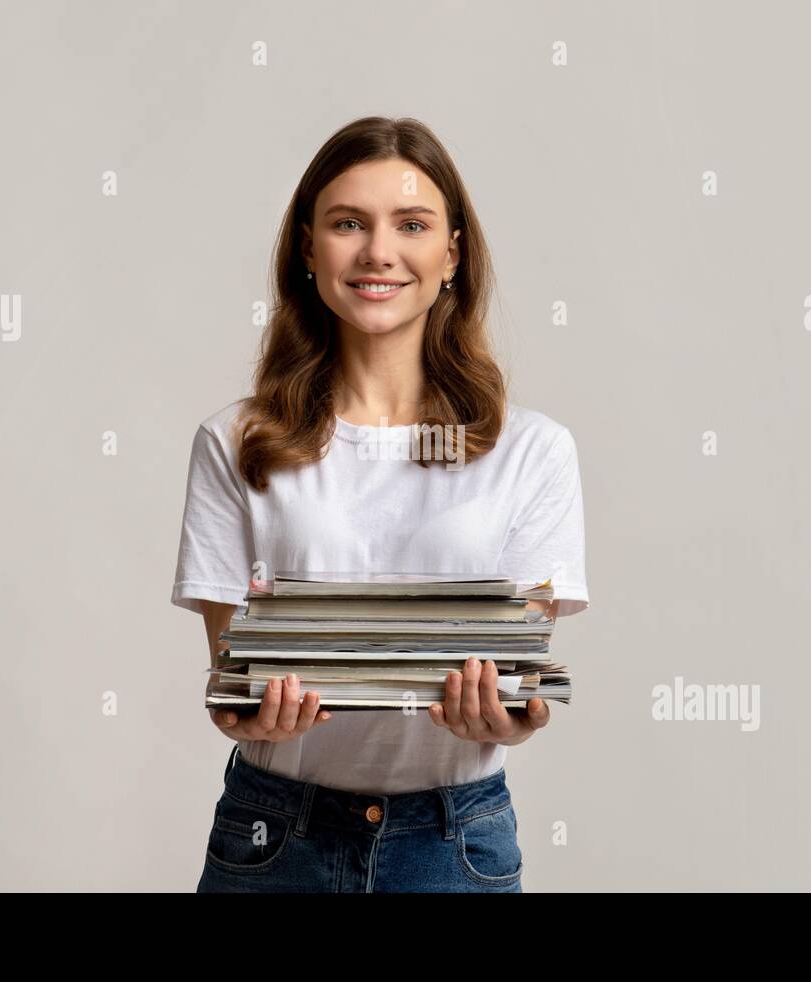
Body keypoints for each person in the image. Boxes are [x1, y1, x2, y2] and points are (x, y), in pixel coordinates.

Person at [170, 116, 589, 892]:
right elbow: (235, 672)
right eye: (347, 224)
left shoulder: (533, 451)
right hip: (273, 838)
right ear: (308, 249)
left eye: (412, 224)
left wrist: (510, 715)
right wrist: (246, 707)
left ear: (451, 254)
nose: (378, 252)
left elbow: (522, 680)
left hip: (454, 840)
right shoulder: (236, 441)